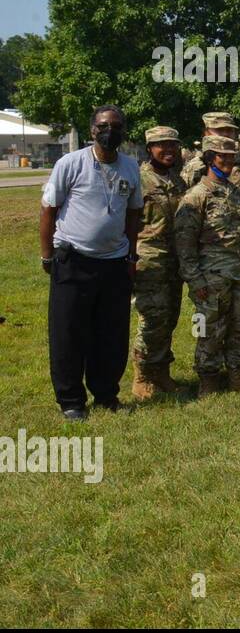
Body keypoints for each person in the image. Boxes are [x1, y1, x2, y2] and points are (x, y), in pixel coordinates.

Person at [40, 105, 143, 419]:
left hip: (114, 264)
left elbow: (134, 213)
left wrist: (131, 254)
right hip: (73, 260)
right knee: (69, 334)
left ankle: (106, 395)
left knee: (110, 334)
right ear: (92, 131)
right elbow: (48, 210)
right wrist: (47, 255)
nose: (109, 131)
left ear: (124, 130)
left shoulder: (130, 166)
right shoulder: (70, 164)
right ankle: (71, 402)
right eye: (102, 126)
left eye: (115, 125)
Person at [174, 136, 240, 397]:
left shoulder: (236, 193)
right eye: (223, 156)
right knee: (207, 327)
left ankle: (237, 373)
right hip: (210, 279)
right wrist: (194, 279)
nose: (229, 161)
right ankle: (207, 378)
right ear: (210, 159)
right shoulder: (196, 196)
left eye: (232, 156)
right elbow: (184, 244)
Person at [130, 126, 187, 399]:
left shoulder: (177, 179)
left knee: (170, 318)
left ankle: (161, 371)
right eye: (161, 146)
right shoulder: (138, 179)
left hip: (175, 260)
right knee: (151, 319)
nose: (168, 150)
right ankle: (141, 375)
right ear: (149, 148)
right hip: (148, 259)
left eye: (172, 145)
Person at [180, 111, 240, 186]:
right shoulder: (195, 167)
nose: (225, 134)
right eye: (220, 129)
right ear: (206, 133)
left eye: (229, 130)